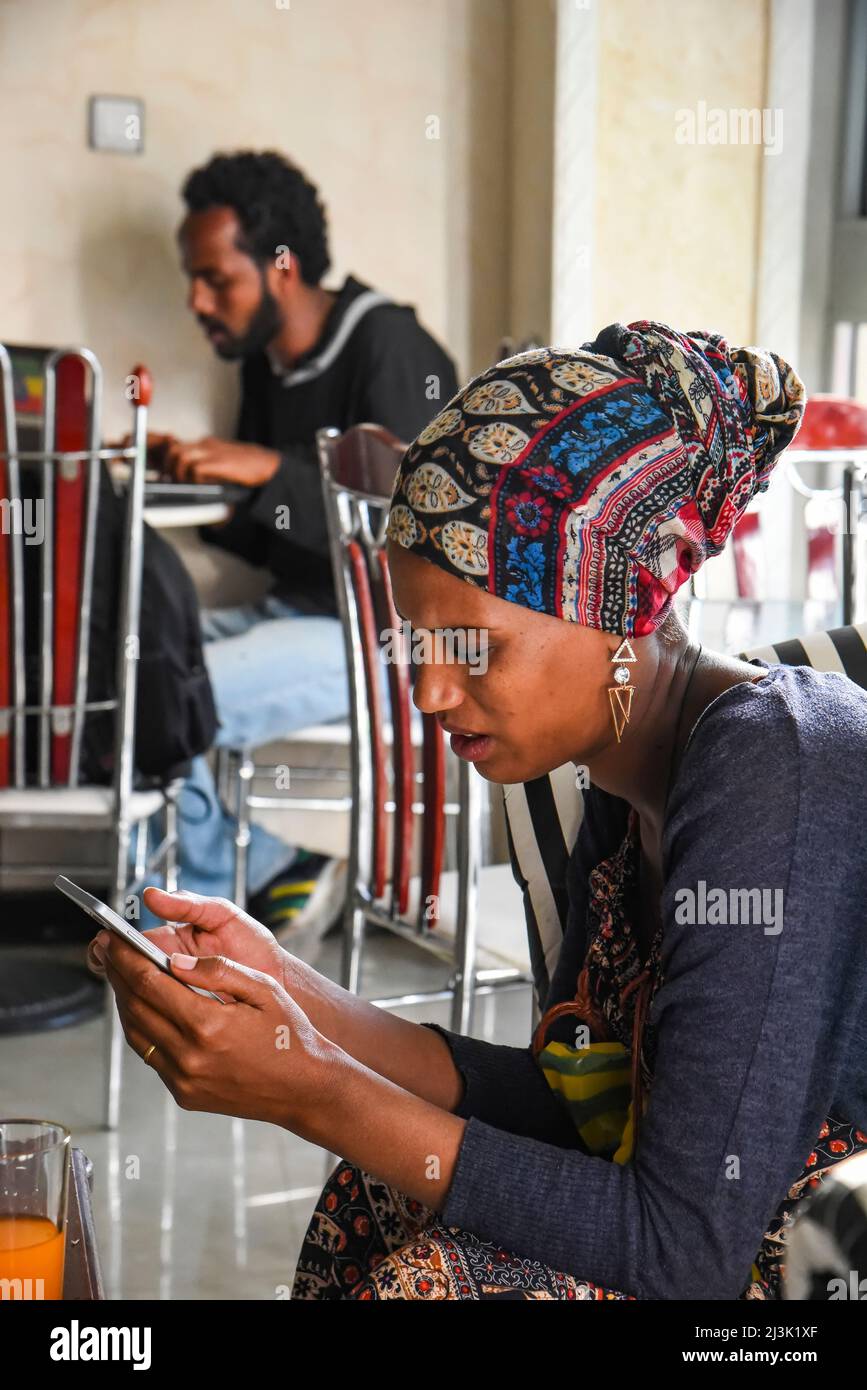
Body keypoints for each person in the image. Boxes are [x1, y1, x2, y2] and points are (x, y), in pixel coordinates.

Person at [88, 322, 867, 1300]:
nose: (429, 692)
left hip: (811, 1271)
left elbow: (685, 1254)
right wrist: (293, 993)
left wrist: (314, 1090)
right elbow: (574, 1105)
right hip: (719, 1247)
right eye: (420, 640)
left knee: (442, 1276)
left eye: (476, 643)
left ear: (619, 605)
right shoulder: (628, 788)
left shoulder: (770, 769)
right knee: (381, 1186)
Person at [144, 151, 457, 928]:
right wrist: (215, 493)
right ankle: (262, 864)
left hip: (383, 638)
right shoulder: (263, 367)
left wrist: (263, 469)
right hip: (296, 611)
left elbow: (420, 539)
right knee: (131, 663)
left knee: (167, 700)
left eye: (217, 278)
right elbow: (279, 539)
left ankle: (195, 909)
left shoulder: (388, 346)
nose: (196, 300)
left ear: (280, 267)